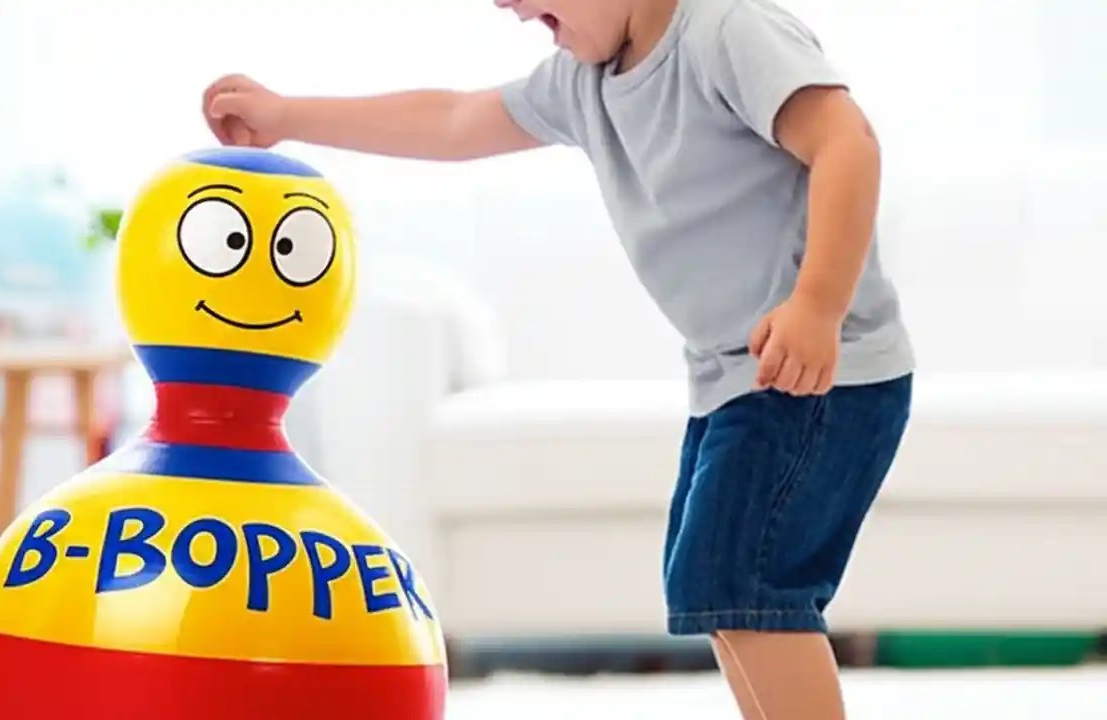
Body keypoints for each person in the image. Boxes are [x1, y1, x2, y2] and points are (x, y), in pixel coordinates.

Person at [202, 0, 915, 716]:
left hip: (822, 369)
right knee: (717, 588)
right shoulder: (585, 82)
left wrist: (817, 307)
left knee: (745, 584)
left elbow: (846, 142)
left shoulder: (727, 31)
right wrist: (288, 115)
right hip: (734, 379)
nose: (508, 8)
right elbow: (451, 121)